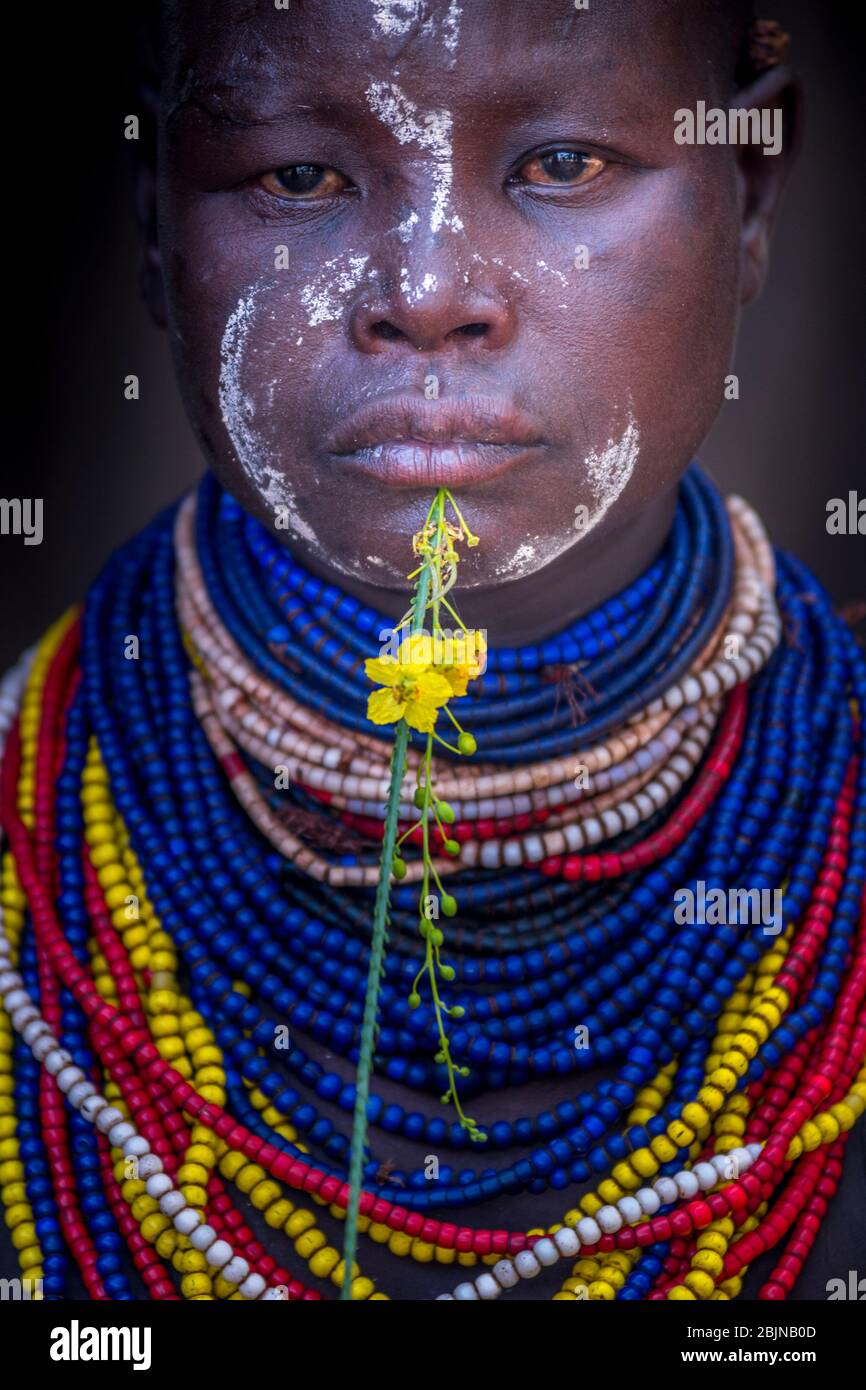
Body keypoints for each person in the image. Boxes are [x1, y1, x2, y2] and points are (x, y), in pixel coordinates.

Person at [0, 0, 863, 1303]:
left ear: (748, 191)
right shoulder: (30, 834)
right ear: (155, 222)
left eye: (561, 163)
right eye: (298, 176)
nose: (424, 295)